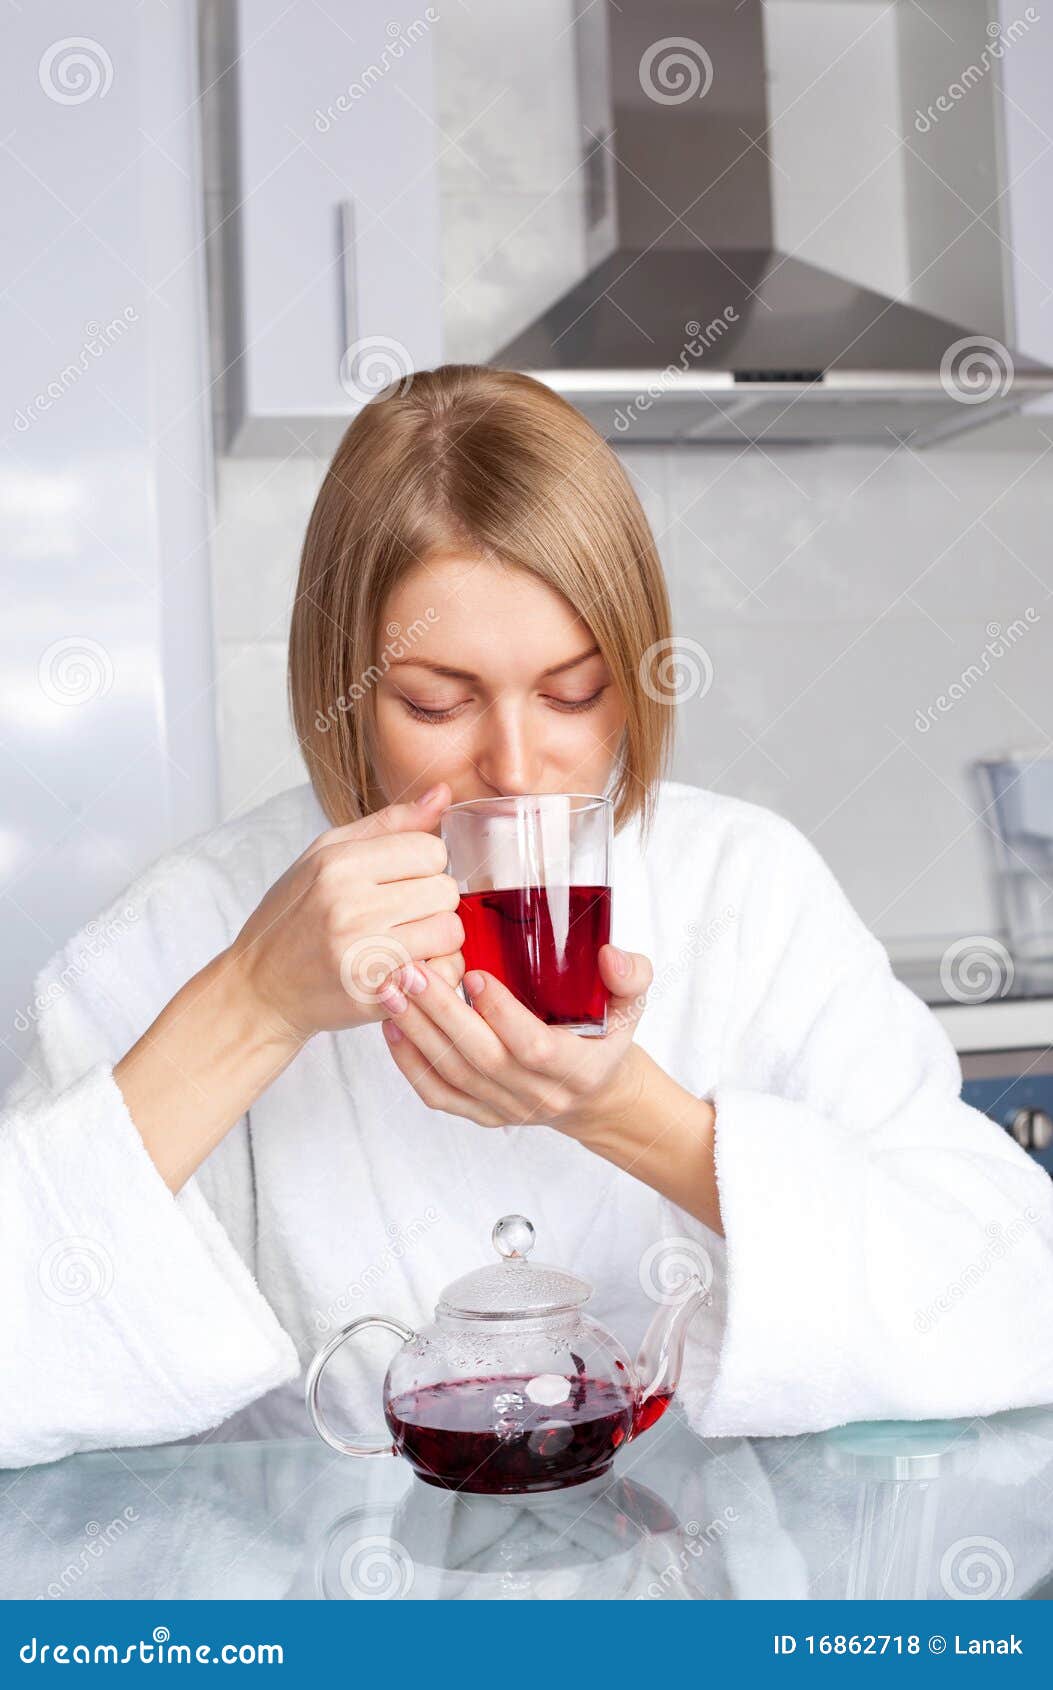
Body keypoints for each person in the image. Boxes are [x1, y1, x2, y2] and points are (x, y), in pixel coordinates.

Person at [4, 365, 1052, 1471]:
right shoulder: (199, 917)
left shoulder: (746, 887)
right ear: (344, 692)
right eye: (435, 704)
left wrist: (636, 1117)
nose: (514, 766)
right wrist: (255, 1003)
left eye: (574, 692)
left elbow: (1017, 1297)